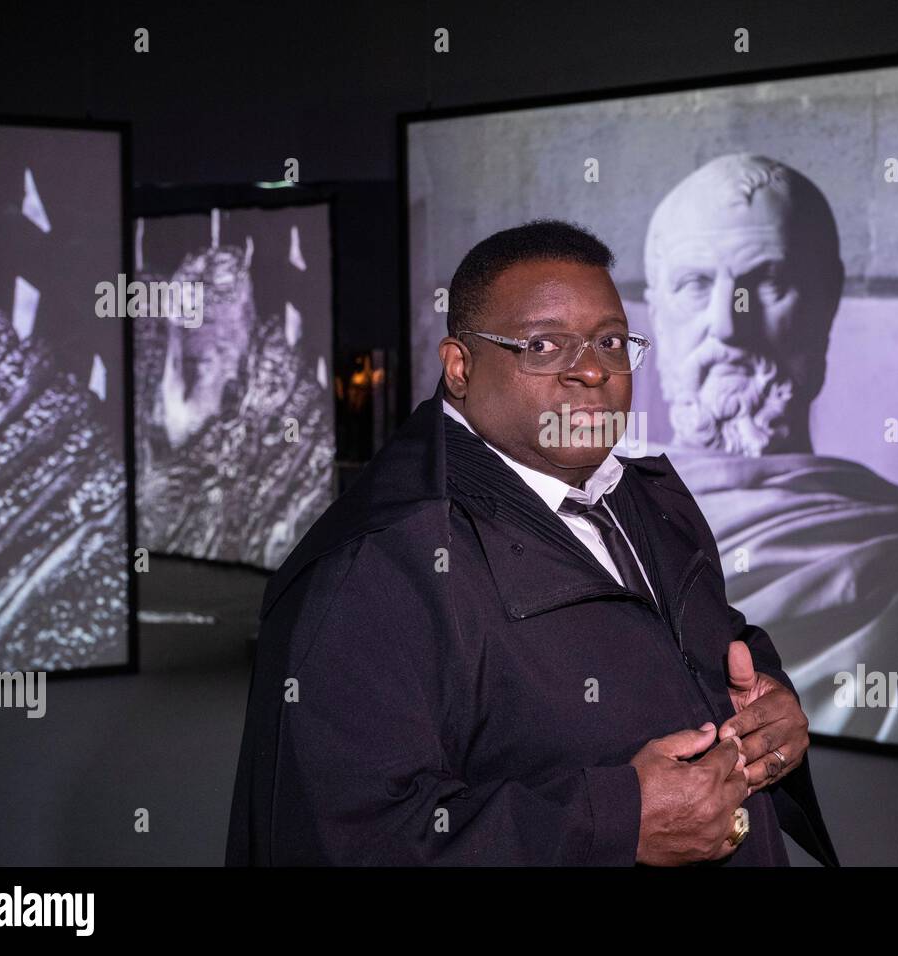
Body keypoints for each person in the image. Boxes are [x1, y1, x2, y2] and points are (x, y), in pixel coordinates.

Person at [226, 218, 839, 866]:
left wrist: (767, 702)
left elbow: (707, 643)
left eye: (609, 341)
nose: (591, 372)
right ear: (459, 367)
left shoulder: (646, 496)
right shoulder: (379, 564)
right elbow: (344, 841)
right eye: (544, 346)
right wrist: (616, 824)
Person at [636, 154, 898, 762]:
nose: (729, 325)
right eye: (695, 284)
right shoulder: (591, 532)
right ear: (657, 311)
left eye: (768, 281)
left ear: (827, 302)